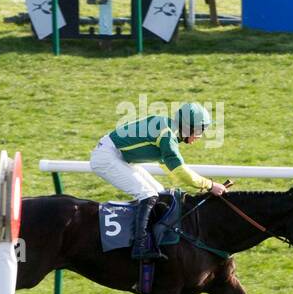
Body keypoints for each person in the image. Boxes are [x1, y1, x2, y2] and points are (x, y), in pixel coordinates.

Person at [90, 102, 226, 260]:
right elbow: (180, 171)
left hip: (117, 156)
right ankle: (139, 246)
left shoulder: (168, 130)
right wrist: (209, 185)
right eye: (199, 130)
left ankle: (154, 239)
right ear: (188, 127)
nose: (200, 135)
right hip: (107, 157)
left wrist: (184, 190)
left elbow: (170, 170)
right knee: (147, 194)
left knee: (160, 193)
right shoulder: (167, 135)